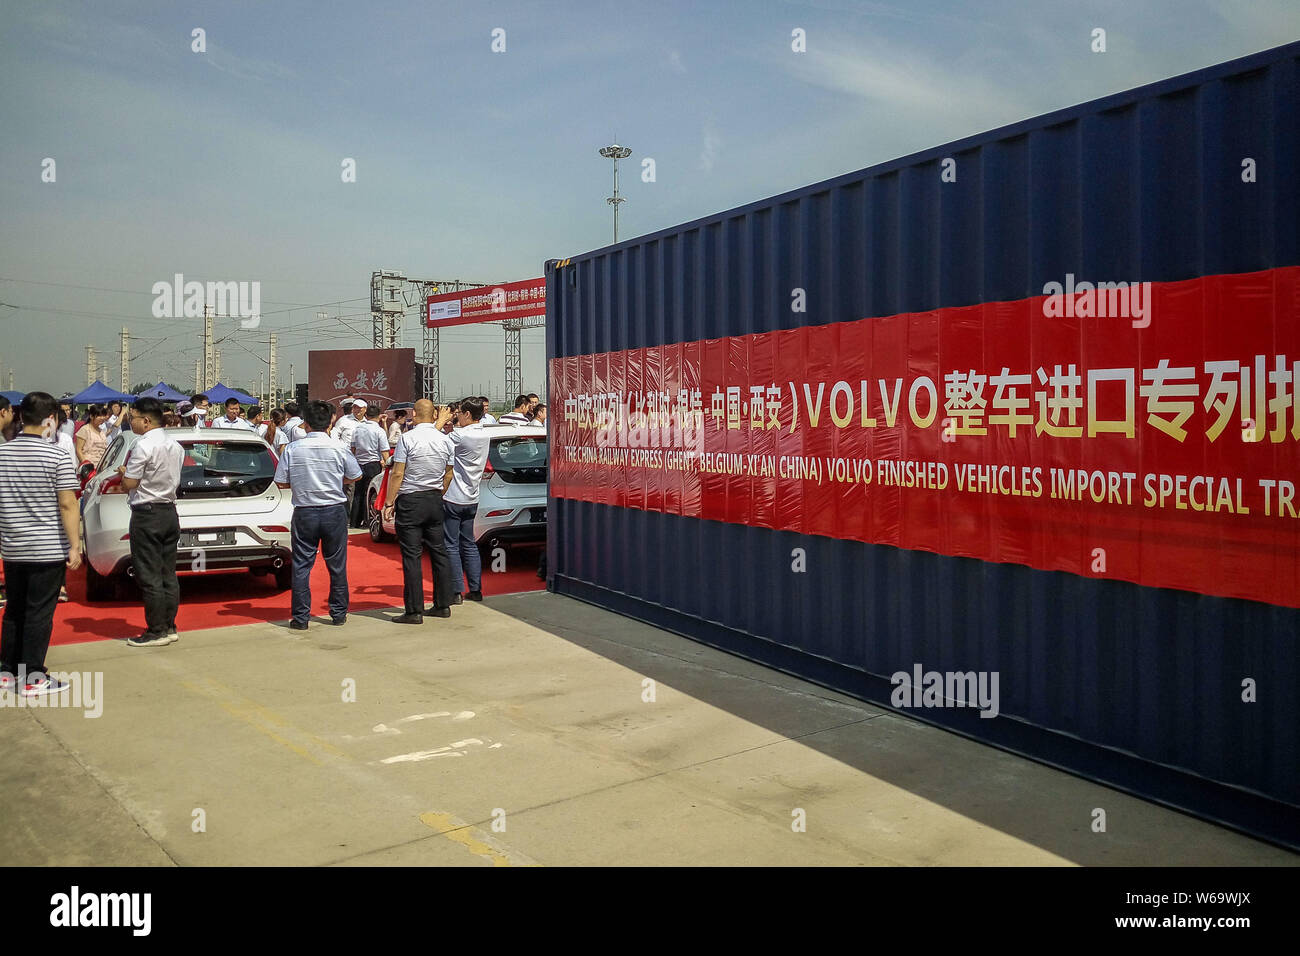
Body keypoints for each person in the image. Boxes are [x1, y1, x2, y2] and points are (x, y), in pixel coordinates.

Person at [0, 392, 82, 696]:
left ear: (21, 417)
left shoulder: (3, 454)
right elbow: (67, 504)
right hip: (47, 548)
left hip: (12, 547)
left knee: (14, 609)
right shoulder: (57, 455)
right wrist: (75, 545)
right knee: (39, 612)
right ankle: (33, 674)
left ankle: (7, 670)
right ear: (52, 420)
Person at [273, 400, 361, 629]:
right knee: (337, 565)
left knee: (302, 566)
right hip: (334, 510)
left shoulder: (293, 448)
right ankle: (339, 613)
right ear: (330, 421)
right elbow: (355, 475)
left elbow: (281, 482)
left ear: (305, 424)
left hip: (305, 511)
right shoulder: (338, 447)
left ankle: (301, 618)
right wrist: (337, 481)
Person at [118, 397, 184, 647]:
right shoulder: (175, 444)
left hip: (147, 513)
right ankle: (169, 625)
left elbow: (131, 483)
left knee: (149, 574)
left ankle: (156, 630)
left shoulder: (142, 446)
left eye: (132, 417)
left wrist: (124, 476)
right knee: (168, 572)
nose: (130, 421)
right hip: (168, 510)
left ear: (146, 421)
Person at [383, 399, 454, 623]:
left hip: (410, 500)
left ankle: (414, 610)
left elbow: (397, 473)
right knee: (439, 553)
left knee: (412, 556)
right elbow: (449, 474)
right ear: (435, 415)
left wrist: (389, 502)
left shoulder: (408, 438)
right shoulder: (445, 440)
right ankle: (443, 604)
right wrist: (438, 493)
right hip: (434, 499)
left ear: (414, 414)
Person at [444, 397, 492, 603]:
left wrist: (440, 420)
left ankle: (456, 590)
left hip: (454, 496)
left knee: (451, 544)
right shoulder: (485, 433)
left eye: (459, 413)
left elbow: (435, 441)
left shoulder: (460, 435)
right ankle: (475, 588)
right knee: (469, 543)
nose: (457, 417)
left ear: (467, 415)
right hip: (472, 497)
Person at [349, 404, 389, 528]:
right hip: (373, 464)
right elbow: (384, 450)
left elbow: (353, 448)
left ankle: (354, 522)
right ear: (378, 416)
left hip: (359, 464)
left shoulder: (357, 429)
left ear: (366, 415)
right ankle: (368, 521)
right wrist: (388, 464)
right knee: (371, 493)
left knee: (358, 494)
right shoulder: (379, 431)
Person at [76, 404, 111, 470]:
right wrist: (86, 465)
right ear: (91, 416)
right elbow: (78, 450)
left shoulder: (101, 431)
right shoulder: (85, 429)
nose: (102, 418)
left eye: (103, 415)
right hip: (89, 468)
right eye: (99, 415)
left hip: (100, 467)